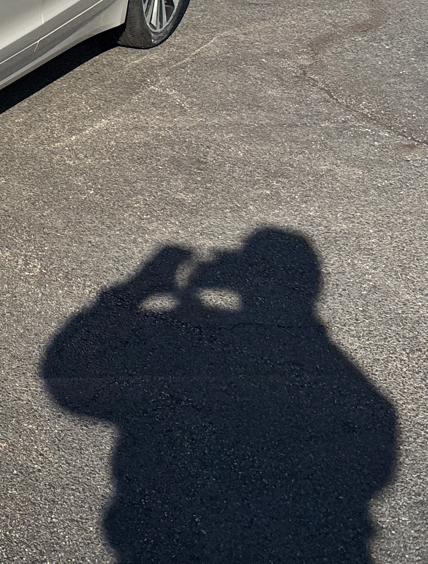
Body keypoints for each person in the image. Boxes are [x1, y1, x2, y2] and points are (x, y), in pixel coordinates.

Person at [42, 229, 396, 563]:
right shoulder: (365, 400)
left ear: (242, 278)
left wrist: (145, 284)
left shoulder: (187, 349)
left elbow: (67, 370)